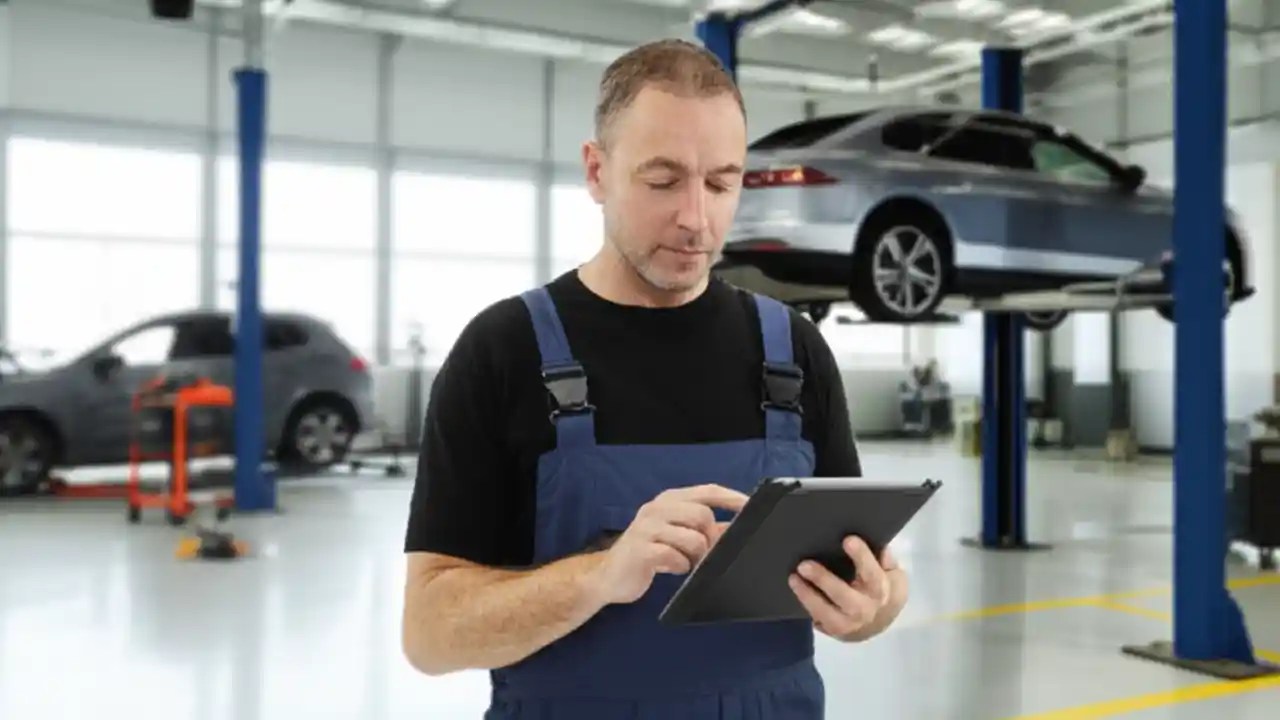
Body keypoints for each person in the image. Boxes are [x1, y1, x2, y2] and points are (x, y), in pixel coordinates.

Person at [400, 38, 910, 719]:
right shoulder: (504, 350)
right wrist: (602, 575)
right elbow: (429, 634)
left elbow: (870, 572)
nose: (696, 219)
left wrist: (874, 606)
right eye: (663, 181)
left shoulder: (795, 352)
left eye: (722, 183)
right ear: (596, 171)